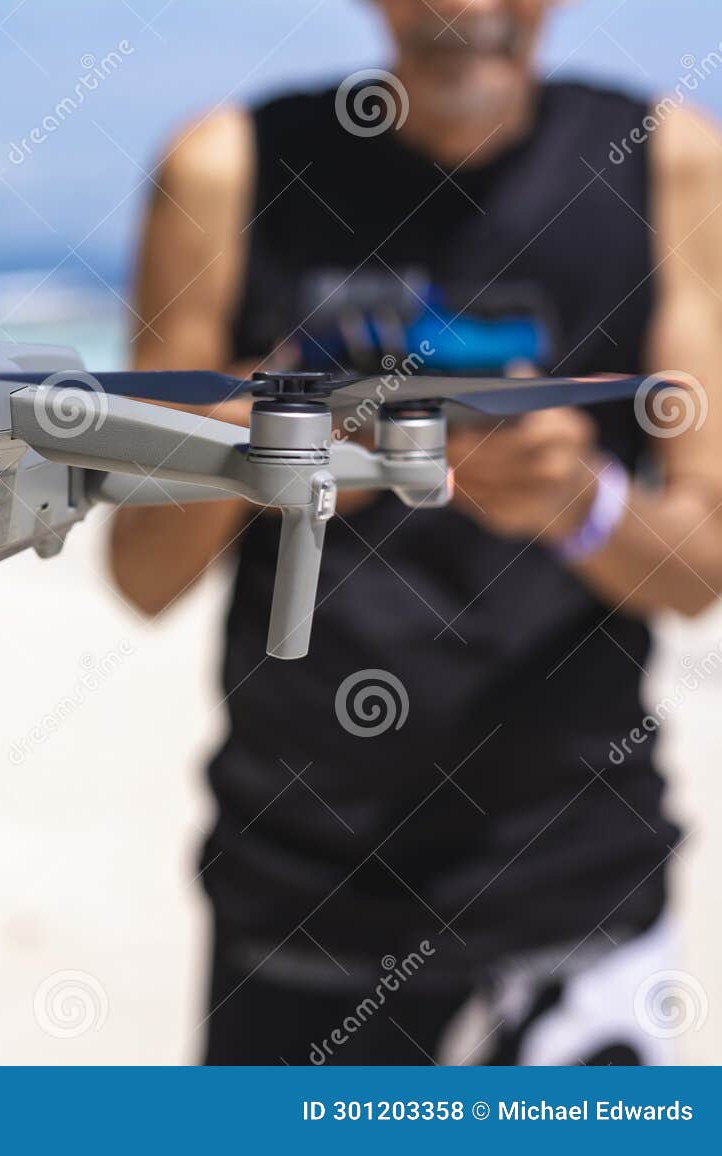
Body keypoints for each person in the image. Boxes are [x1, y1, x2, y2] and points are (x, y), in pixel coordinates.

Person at [114, 0, 722, 1064]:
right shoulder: (227, 167)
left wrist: (578, 503)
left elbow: (700, 568)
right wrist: (273, 450)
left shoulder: (667, 162)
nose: (468, 11)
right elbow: (141, 572)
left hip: (571, 884)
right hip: (297, 886)